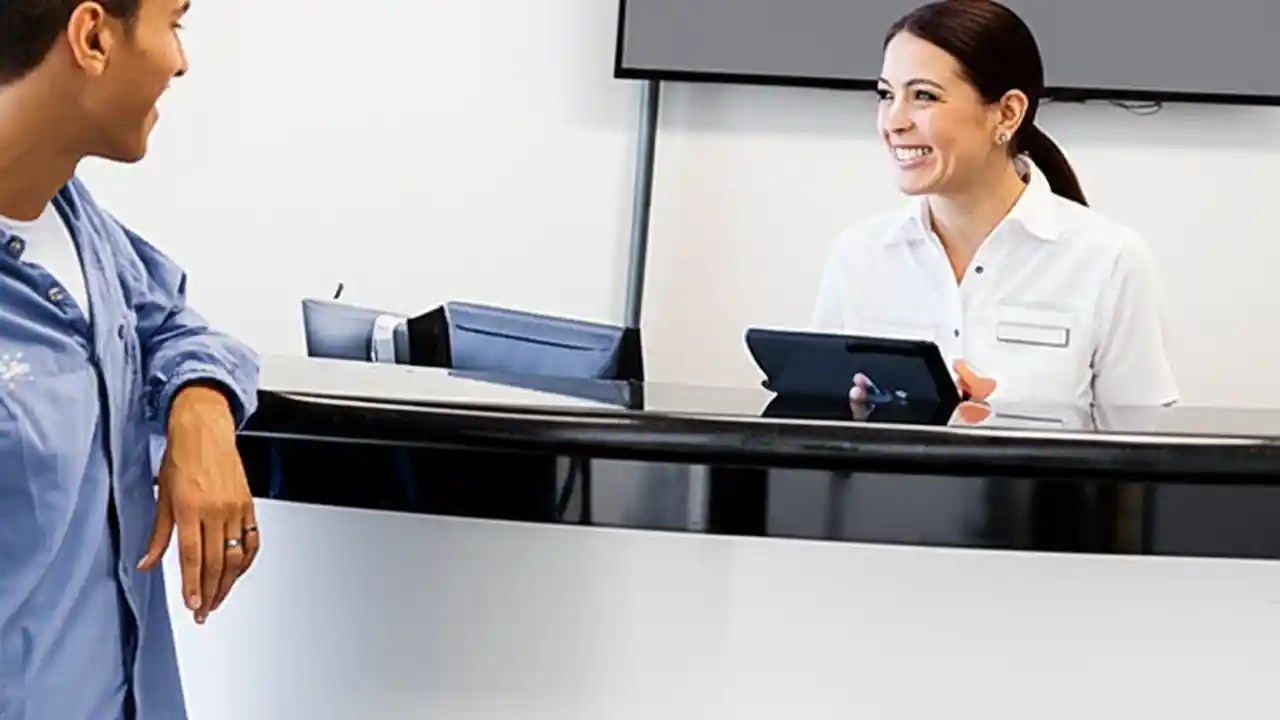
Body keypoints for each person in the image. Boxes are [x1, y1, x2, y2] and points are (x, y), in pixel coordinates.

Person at [0, 0, 260, 717]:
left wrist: (202, 407)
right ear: (92, 36)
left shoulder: (76, 225)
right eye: (173, 23)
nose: (180, 61)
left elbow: (175, 328)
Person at [812, 0, 1178, 409]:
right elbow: (820, 435)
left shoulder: (1110, 261)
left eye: (923, 96)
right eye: (886, 94)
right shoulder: (858, 255)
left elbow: (1141, 454)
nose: (893, 121)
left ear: (1007, 113)